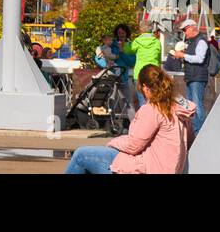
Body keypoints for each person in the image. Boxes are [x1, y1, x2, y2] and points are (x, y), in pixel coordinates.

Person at [64, 65, 197, 174]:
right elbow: (189, 141)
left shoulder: (152, 109)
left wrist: (113, 142)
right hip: (168, 168)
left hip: (149, 169)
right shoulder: (179, 110)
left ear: (145, 88)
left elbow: (133, 145)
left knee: (81, 155)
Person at [171, 18, 210, 133]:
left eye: (184, 30)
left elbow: (199, 59)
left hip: (198, 77)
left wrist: (183, 55)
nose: (184, 33)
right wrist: (180, 56)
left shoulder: (201, 41)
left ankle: (202, 132)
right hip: (191, 77)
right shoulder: (192, 42)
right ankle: (194, 131)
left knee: (197, 106)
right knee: (190, 106)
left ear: (191, 28)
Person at [124, 19, 164, 109]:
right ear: (151, 29)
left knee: (142, 100)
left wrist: (125, 44)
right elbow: (159, 58)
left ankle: (145, 120)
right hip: (154, 73)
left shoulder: (137, 41)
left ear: (141, 29)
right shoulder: (157, 42)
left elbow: (128, 50)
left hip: (140, 74)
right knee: (154, 100)